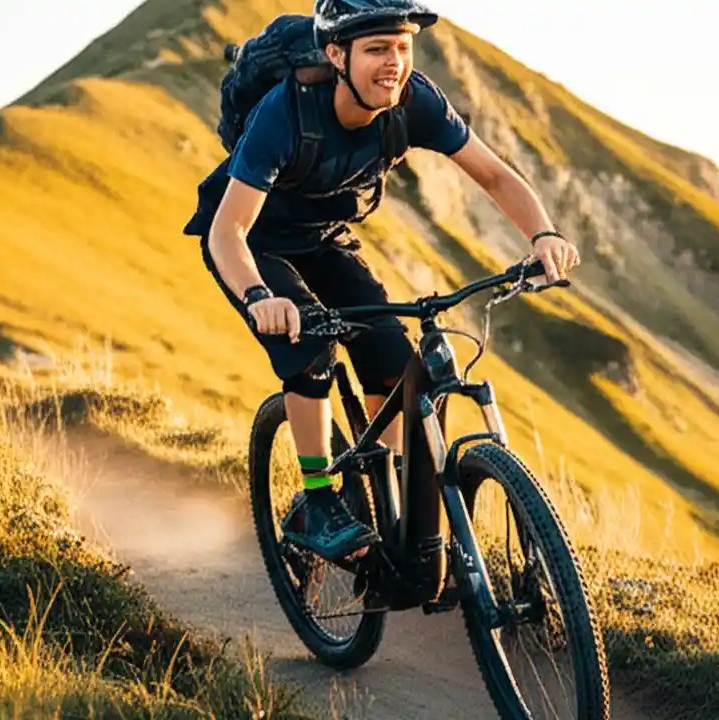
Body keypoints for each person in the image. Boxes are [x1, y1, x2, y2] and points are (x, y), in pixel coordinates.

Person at [182, 0, 580, 562]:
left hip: (324, 236)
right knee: (309, 350)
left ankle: (384, 495)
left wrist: (543, 233)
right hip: (257, 244)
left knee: (394, 360)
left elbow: (493, 175)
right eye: (376, 49)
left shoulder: (416, 102)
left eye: (402, 47)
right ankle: (317, 501)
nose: (393, 63)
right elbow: (229, 231)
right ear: (336, 54)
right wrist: (260, 297)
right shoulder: (286, 112)